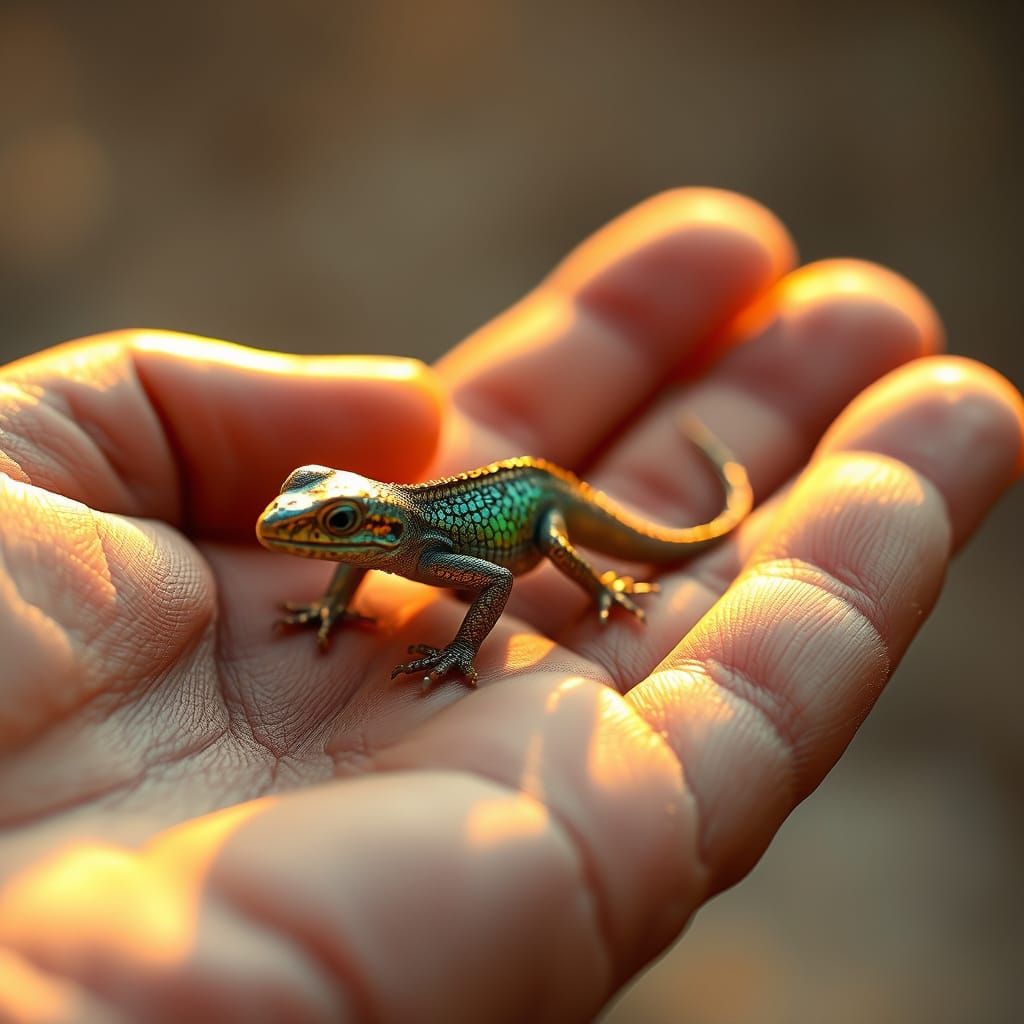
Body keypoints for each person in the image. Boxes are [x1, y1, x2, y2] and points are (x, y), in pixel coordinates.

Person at [0, 189, 1020, 1022]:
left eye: (338, 523)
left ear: (375, 522)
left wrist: (472, 648)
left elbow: (499, 580)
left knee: (558, 550)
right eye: (322, 520)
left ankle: (611, 574)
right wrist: (333, 605)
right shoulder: (386, 542)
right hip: (504, 498)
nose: (314, 534)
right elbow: (359, 559)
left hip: (539, 515)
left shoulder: (429, 549)